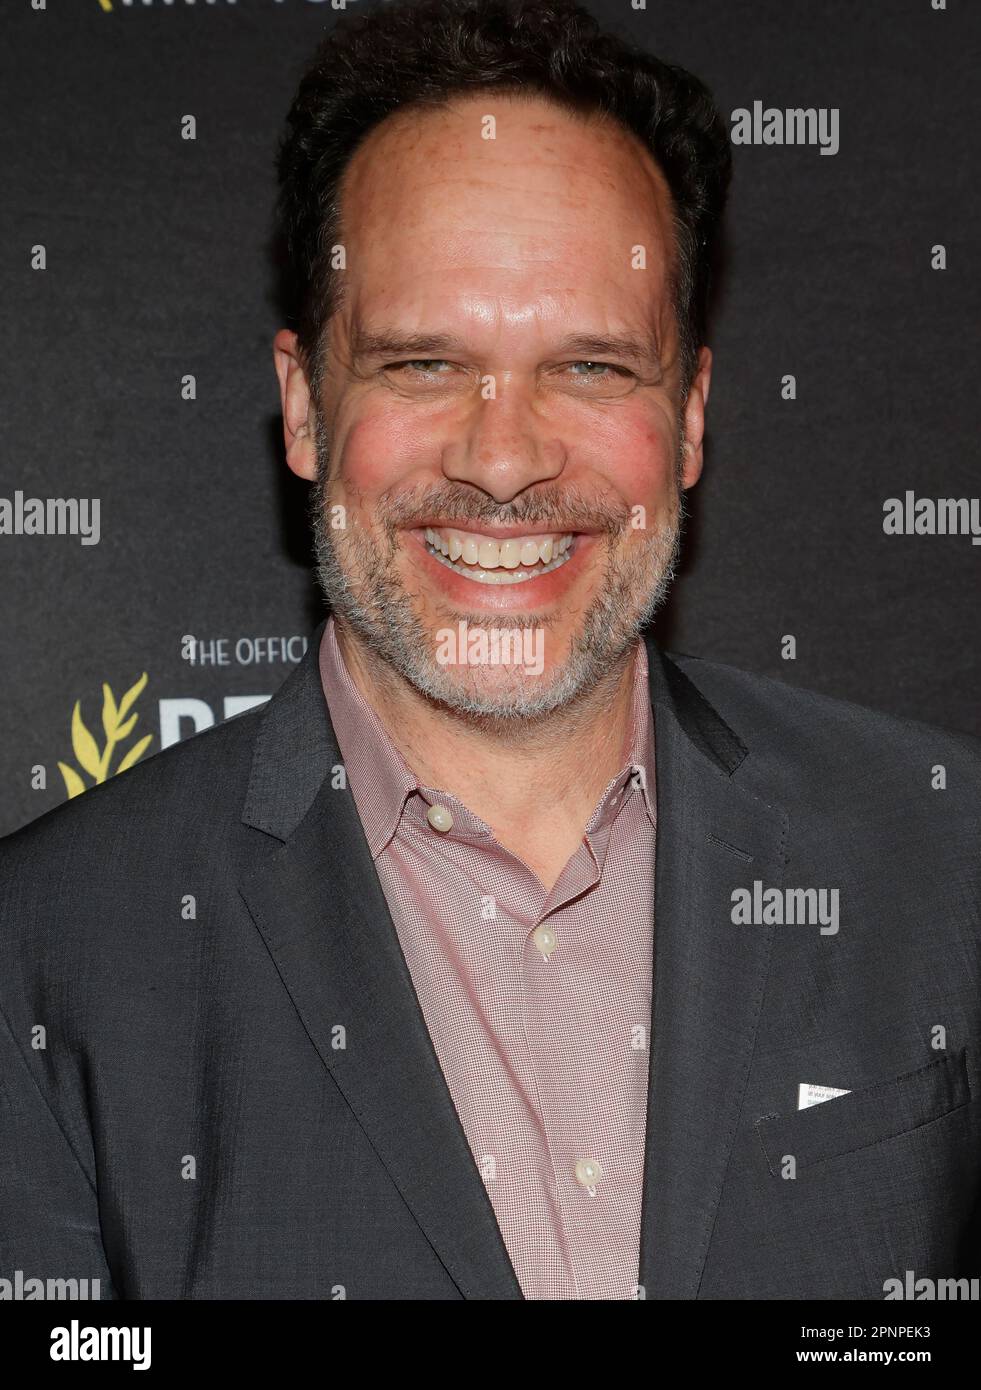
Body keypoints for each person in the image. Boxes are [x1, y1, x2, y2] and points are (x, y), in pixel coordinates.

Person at [1, 0, 978, 1302]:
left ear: (687, 415)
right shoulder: (47, 952)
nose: (503, 458)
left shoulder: (944, 851)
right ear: (302, 404)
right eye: (421, 361)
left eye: (586, 366)